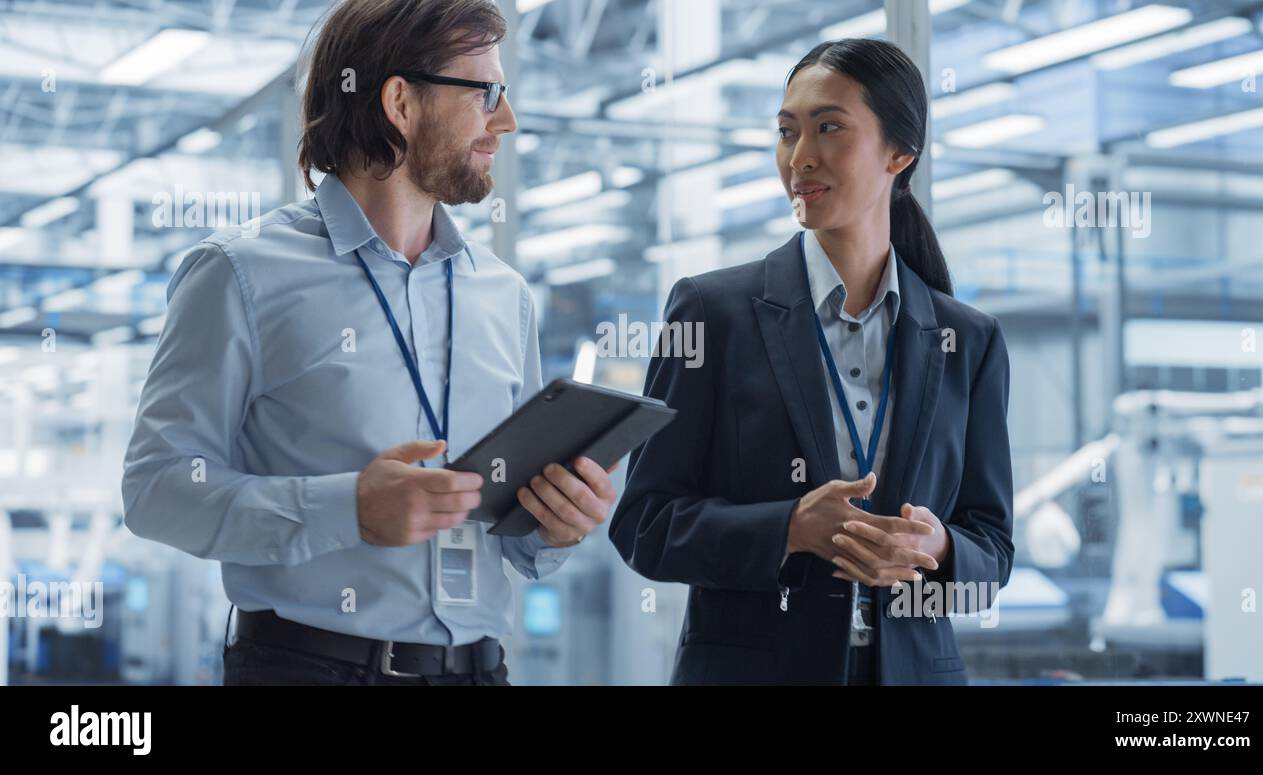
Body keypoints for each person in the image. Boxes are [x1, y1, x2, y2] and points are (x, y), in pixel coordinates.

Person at [121, 0, 617, 686]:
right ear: (400, 102)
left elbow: (514, 523)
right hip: (307, 668)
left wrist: (556, 526)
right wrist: (346, 507)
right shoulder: (240, 273)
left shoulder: (505, 296)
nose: (505, 121)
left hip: (480, 669)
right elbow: (156, 488)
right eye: (487, 93)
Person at [609, 38, 1014, 685]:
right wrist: (791, 527)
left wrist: (936, 548)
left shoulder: (968, 339)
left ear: (899, 153)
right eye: (786, 132)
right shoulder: (712, 311)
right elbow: (645, 526)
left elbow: (991, 549)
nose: (800, 158)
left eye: (829, 128)